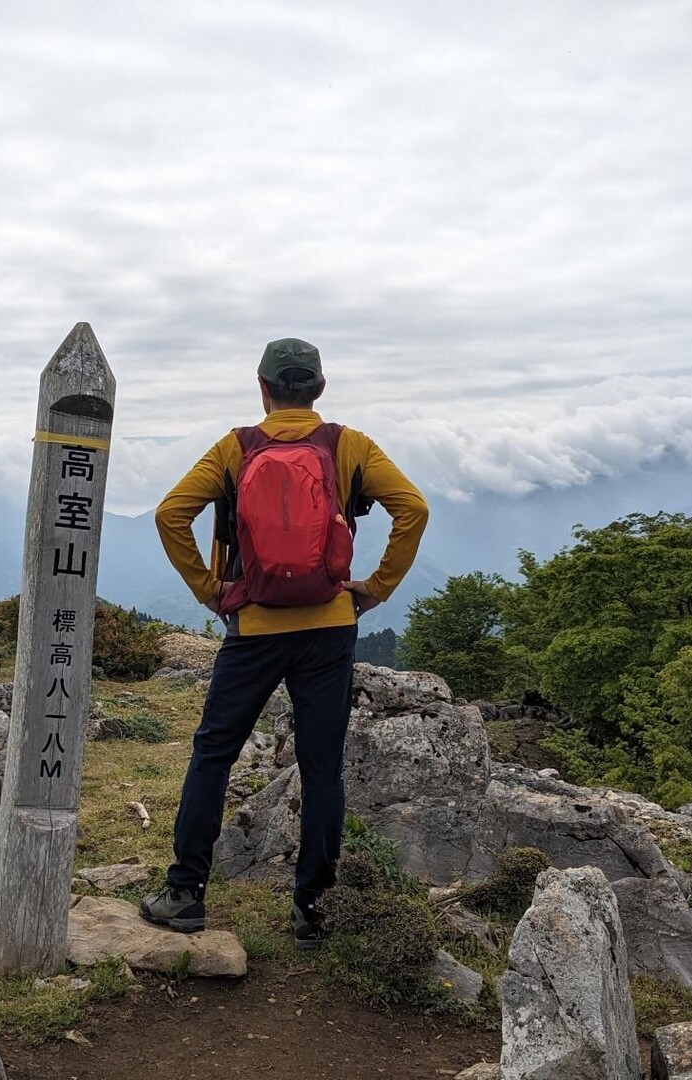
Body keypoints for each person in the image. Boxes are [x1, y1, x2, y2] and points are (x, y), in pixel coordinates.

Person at [141, 337, 429, 949]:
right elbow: (413, 509)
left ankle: (185, 894)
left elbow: (170, 514)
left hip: (254, 627)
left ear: (263, 387)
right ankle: (312, 910)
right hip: (329, 627)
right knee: (322, 768)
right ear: (319, 389)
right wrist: (374, 589)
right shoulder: (349, 445)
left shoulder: (236, 448)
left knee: (214, 754)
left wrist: (209, 590)